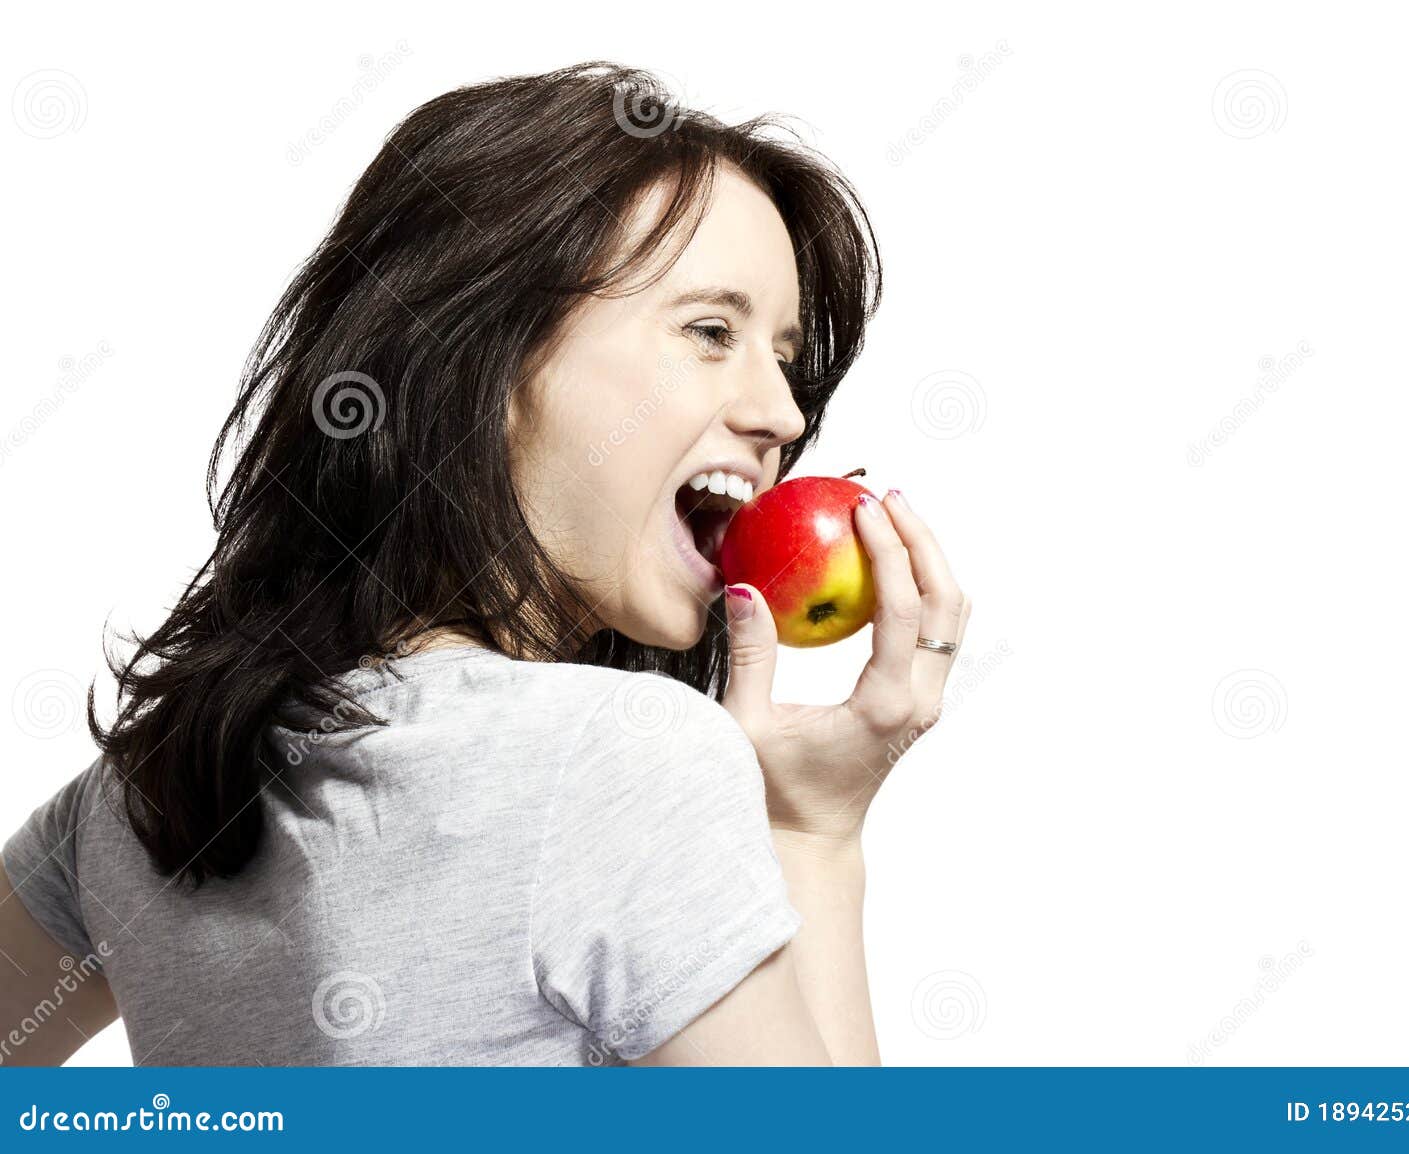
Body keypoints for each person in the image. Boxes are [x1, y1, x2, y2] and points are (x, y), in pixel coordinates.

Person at [0, 61, 970, 1067]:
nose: (781, 413)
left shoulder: (143, 793)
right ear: (485, 359)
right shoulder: (623, 757)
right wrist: (812, 837)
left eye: (784, 359)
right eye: (710, 331)